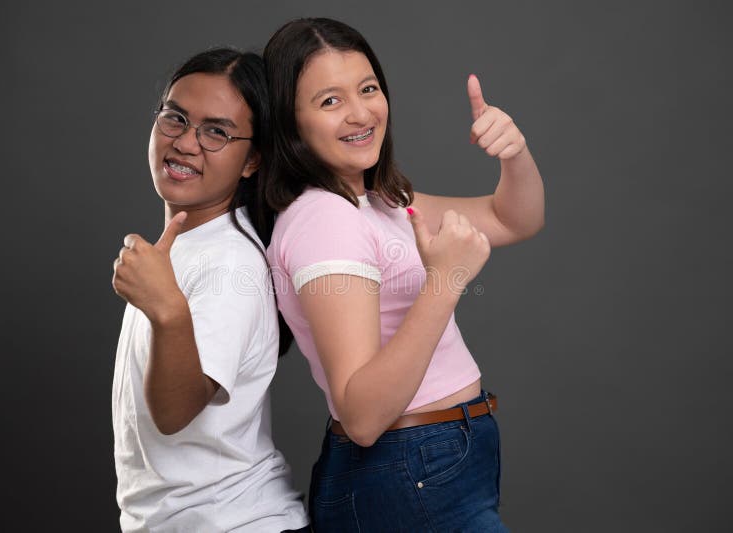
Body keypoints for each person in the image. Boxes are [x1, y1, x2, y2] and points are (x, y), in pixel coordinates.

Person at [263, 18, 545, 531]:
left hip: (435, 464)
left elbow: (515, 218)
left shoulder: (379, 203)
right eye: (329, 101)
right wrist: (445, 282)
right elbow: (363, 416)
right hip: (408, 468)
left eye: (367, 89)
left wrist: (515, 153)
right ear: (290, 123)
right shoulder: (324, 220)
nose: (360, 112)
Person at [110, 48, 309, 532]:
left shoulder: (229, 261)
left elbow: (175, 413)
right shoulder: (188, 248)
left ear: (252, 160)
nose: (185, 143)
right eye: (175, 118)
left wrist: (168, 310)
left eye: (216, 131)